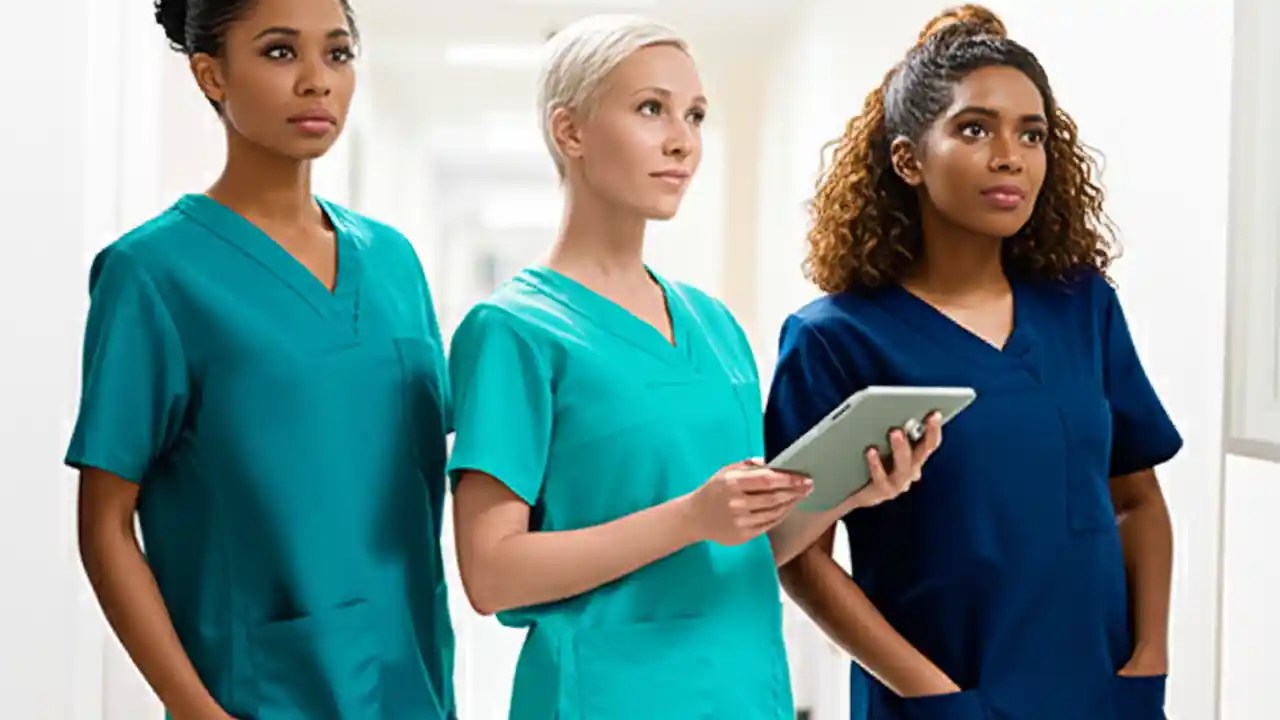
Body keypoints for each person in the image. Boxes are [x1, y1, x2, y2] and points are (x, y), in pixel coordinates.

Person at [445, 14, 937, 720]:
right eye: (651, 109)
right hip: (606, 698)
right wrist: (689, 517)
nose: (683, 139)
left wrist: (848, 493)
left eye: (696, 115)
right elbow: (491, 574)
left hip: (744, 692)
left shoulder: (715, 326)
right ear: (570, 131)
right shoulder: (514, 331)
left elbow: (745, 545)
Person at [765, 6, 1182, 720]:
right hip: (942, 699)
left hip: (1102, 692)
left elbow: (1136, 500)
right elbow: (800, 556)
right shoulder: (834, 339)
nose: (1009, 155)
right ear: (908, 159)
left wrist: (1148, 663)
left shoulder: (1083, 307)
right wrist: (936, 698)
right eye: (974, 128)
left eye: (1032, 133)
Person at [68, 1, 455, 717]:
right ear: (210, 74)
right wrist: (195, 710)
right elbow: (104, 524)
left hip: (413, 683)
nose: (318, 81)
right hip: (258, 693)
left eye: (338, 54)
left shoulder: (395, 262)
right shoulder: (154, 274)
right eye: (280, 53)